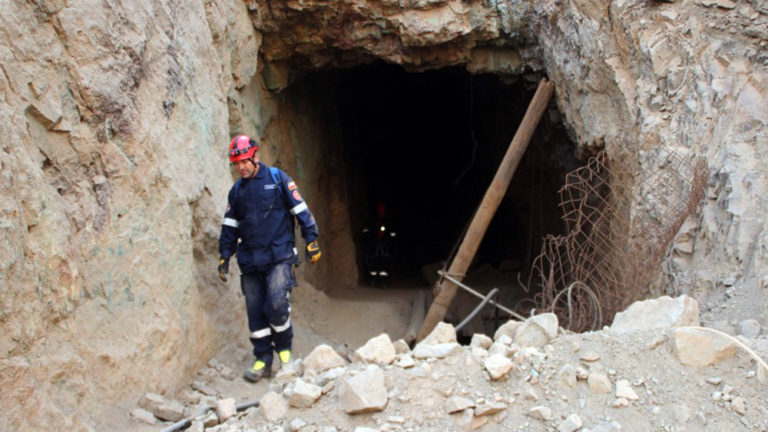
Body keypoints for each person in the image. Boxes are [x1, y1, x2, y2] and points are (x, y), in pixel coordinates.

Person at [217, 134, 321, 382]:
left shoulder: (277, 179)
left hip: (279, 257)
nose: (241, 167)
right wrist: (224, 255)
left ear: (255, 156)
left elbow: (301, 210)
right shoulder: (236, 192)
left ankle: (284, 354)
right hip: (250, 261)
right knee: (255, 312)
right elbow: (230, 226)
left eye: (244, 161)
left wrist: (312, 240)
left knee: (276, 304)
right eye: (236, 164)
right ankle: (262, 359)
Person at [362, 202, 396, 282]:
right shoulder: (372, 220)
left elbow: (392, 233)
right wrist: (368, 235)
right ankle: (373, 279)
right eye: (379, 210)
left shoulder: (388, 221)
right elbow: (366, 230)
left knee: (386, 260)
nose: (381, 212)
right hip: (374, 243)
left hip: (385, 243)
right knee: (372, 260)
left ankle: (385, 279)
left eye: (382, 210)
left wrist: (390, 236)